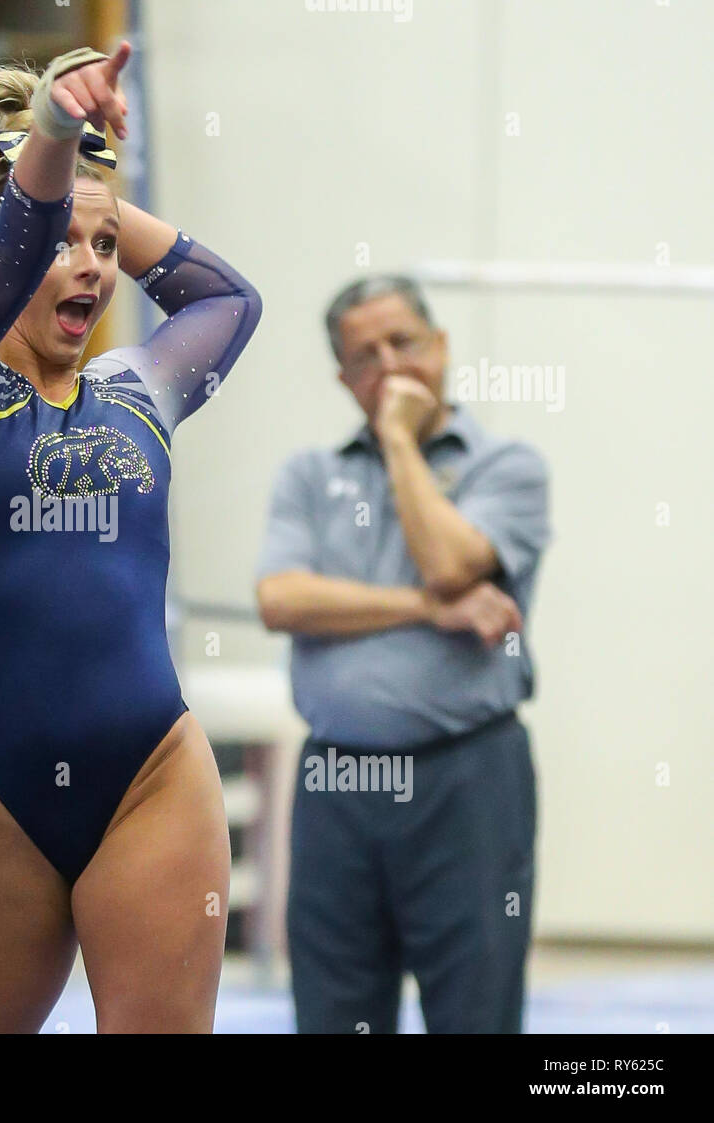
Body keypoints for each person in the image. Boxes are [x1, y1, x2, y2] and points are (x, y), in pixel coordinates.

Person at [0, 43, 262, 1032]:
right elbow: (18, 249)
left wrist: (91, 189)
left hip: (148, 776)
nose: (92, 269)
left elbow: (229, 300)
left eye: (108, 251)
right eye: (68, 243)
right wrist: (50, 138)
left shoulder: (137, 391)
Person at [256, 275, 550, 1033]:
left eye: (404, 343)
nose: (388, 365)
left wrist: (396, 438)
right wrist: (425, 608)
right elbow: (282, 599)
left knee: (475, 1011)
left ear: (441, 346)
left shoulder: (508, 466)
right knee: (332, 1011)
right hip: (337, 782)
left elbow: (452, 562)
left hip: (466, 777)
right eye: (366, 355)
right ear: (344, 378)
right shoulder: (308, 475)